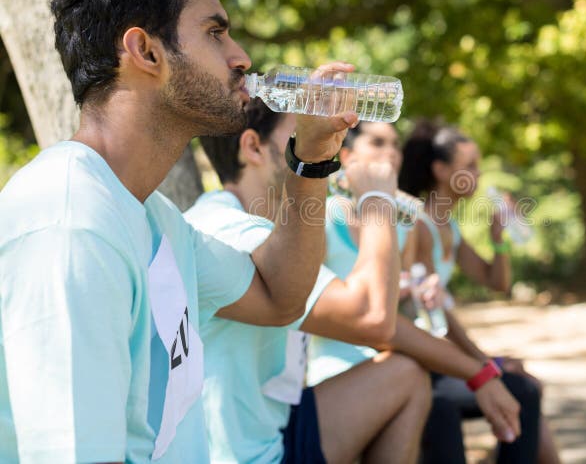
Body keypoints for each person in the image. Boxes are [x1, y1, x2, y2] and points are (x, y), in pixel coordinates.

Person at [0, 0, 355, 463]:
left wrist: (312, 158)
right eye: (216, 33)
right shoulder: (72, 228)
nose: (241, 57)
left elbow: (280, 296)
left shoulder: (151, 215)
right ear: (145, 51)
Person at [188, 102, 524, 463]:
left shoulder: (265, 232)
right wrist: (377, 200)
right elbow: (373, 319)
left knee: (407, 375)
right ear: (254, 147)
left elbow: (390, 329)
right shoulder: (228, 230)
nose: (323, 147)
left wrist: (479, 373)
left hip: (276, 426)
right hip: (241, 454)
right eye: (303, 136)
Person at [399, 120, 561, 464]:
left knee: (525, 384)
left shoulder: (449, 227)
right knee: (523, 388)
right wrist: (485, 363)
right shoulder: (421, 227)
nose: (478, 174)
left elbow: (496, 282)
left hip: (440, 358)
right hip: (422, 359)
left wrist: (499, 237)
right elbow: (435, 315)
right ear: (441, 170)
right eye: (470, 166)